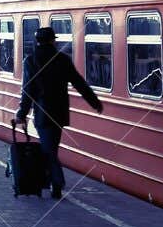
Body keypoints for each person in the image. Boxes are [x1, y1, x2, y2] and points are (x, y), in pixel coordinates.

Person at [15, 27, 103, 199]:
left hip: (42, 114)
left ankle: (56, 183)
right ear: (52, 41)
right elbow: (79, 83)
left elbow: (28, 90)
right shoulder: (62, 59)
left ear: (37, 41)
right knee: (50, 148)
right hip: (60, 113)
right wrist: (94, 102)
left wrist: (21, 113)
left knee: (49, 150)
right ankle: (52, 183)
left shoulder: (31, 60)